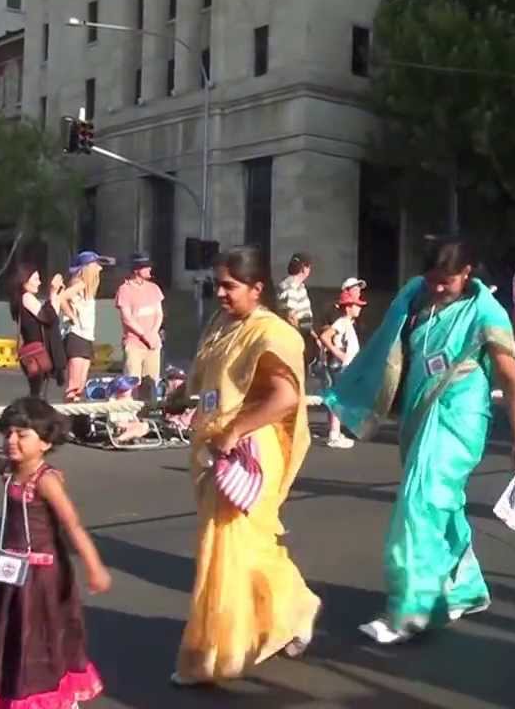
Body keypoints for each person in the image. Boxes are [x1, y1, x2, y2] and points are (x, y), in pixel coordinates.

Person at [324, 238, 515, 645]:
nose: (438, 287)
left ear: (467, 273)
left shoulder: (486, 312)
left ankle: (412, 609)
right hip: (419, 411)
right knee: (443, 504)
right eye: (433, 279)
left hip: (460, 415)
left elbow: (511, 381)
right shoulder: (415, 295)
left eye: (447, 281)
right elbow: (388, 346)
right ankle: (466, 587)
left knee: (420, 501)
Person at [173, 245, 320, 686]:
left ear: (257, 288)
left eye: (229, 286)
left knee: (224, 550)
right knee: (250, 547)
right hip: (216, 446)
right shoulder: (222, 323)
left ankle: (216, 655)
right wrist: (179, 397)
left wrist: (235, 431)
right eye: (217, 284)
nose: (220, 293)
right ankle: (296, 607)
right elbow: (208, 377)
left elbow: (285, 397)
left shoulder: (272, 333)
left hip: (249, 452)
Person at [0, 398, 110, 709]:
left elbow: (72, 525)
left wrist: (94, 566)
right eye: (8, 433)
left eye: (22, 435)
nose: (11, 440)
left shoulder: (46, 480)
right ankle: (15, 690)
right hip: (10, 572)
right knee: (10, 632)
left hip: (41, 575)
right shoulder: (10, 471)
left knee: (41, 635)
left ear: (45, 442)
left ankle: (57, 697)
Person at [60, 252, 115, 401]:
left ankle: (76, 407)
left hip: (86, 336)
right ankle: (70, 409)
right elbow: (61, 298)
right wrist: (72, 316)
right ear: (87, 267)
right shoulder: (79, 283)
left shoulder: (87, 288)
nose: (100, 269)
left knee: (80, 385)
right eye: (96, 265)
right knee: (74, 385)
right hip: (76, 335)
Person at [318, 288, 365, 448]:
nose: (359, 308)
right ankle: (334, 435)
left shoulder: (348, 324)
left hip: (344, 366)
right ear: (348, 307)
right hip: (339, 367)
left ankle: (336, 432)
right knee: (337, 400)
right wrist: (338, 353)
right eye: (356, 305)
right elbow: (325, 336)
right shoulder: (342, 322)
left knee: (338, 400)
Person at [12, 263, 67, 399]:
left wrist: (55, 295)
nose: (39, 282)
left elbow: (51, 315)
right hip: (37, 353)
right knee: (38, 392)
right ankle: (33, 411)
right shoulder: (26, 297)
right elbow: (48, 317)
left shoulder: (21, 299)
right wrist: (53, 292)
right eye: (36, 279)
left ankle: (35, 410)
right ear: (24, 280)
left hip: (35, 351)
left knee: (38, 390)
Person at [115, 252, 165, 382]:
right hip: (134, 344)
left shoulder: (154, 288)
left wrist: (153, 334)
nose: (149, 269)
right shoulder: (124, 289)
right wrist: (144, 335)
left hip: (153, 343)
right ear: (136, 270)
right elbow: (127, 318)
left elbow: (159, 314)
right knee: (132, 382)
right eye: (145, 267)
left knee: (152, 382)